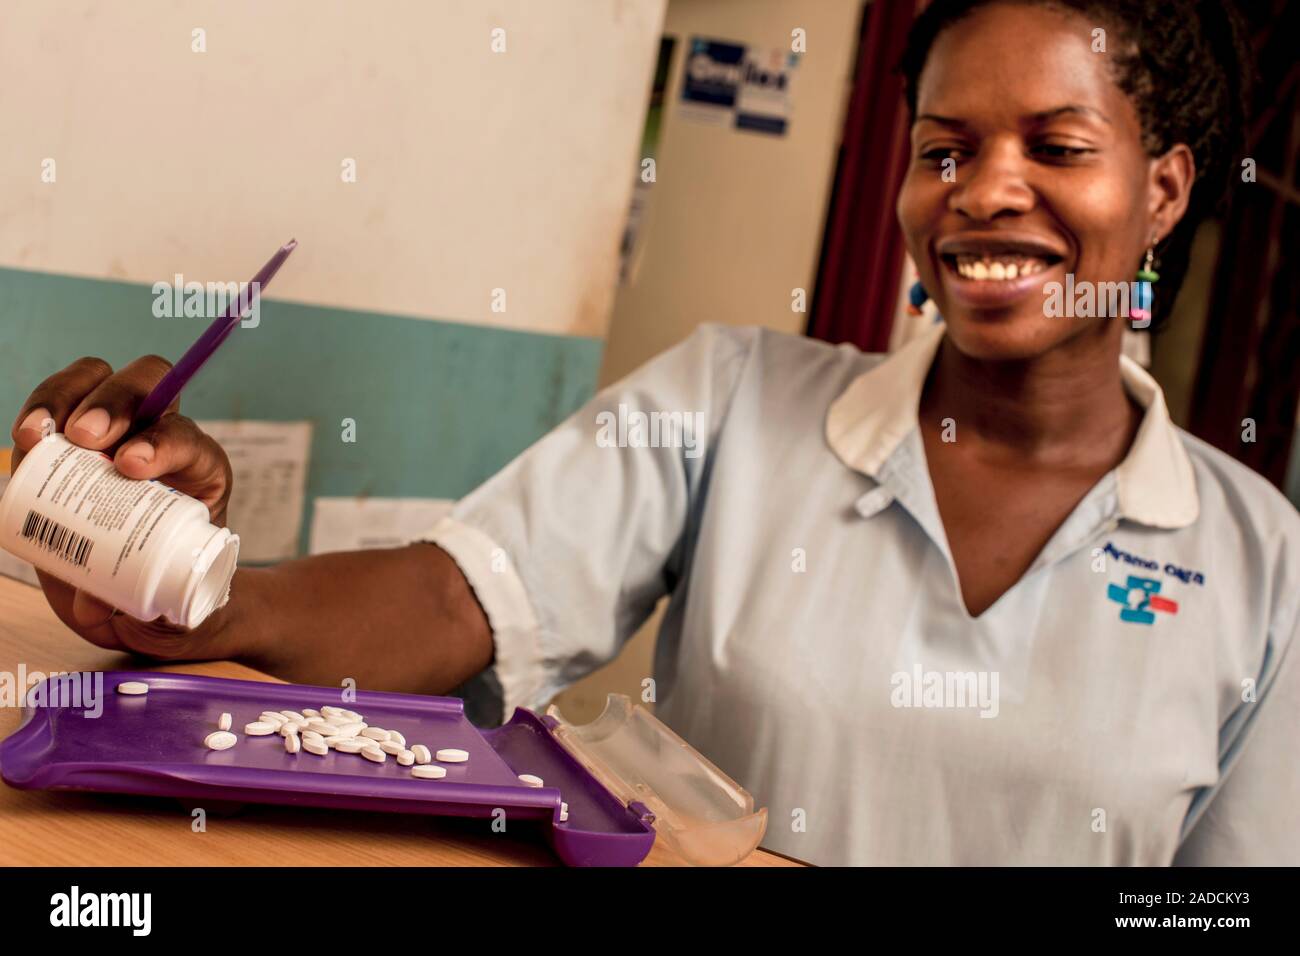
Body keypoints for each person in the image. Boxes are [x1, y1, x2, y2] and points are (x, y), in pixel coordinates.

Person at [9, 0, 1296, 866]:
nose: (986, 190)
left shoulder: (1265, 567)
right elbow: (455, 597)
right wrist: (203, 598)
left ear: (1165, 188)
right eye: (943, 149)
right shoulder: (732, 399)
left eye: (1055, 146)